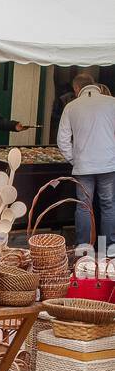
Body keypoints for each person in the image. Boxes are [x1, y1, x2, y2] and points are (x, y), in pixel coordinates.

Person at [57, 71, 115, 244]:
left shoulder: (71, 106)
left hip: (83, 167)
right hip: (109, 165)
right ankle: (109, 247)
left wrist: (75, 159)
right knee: (109, 205)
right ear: (94, 83)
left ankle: (84, 247)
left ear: (76, 88)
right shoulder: (112, 103)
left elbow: (62, 141)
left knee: (83, 206)